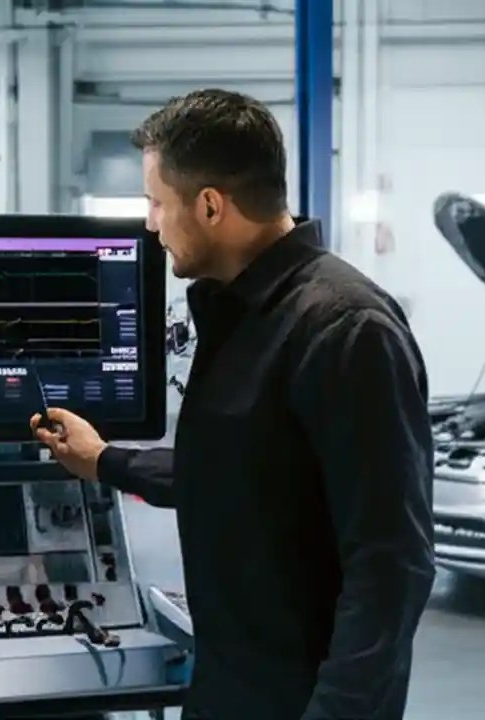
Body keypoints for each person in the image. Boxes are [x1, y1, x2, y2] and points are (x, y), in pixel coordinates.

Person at [32, 89, 435, 719]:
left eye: (156, 203)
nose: (150, 224)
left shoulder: (346, 330)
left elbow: (391, 567)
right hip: (229, 686)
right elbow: (238, 473)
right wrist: (106, 460)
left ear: (211, 206)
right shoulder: (239, 315)